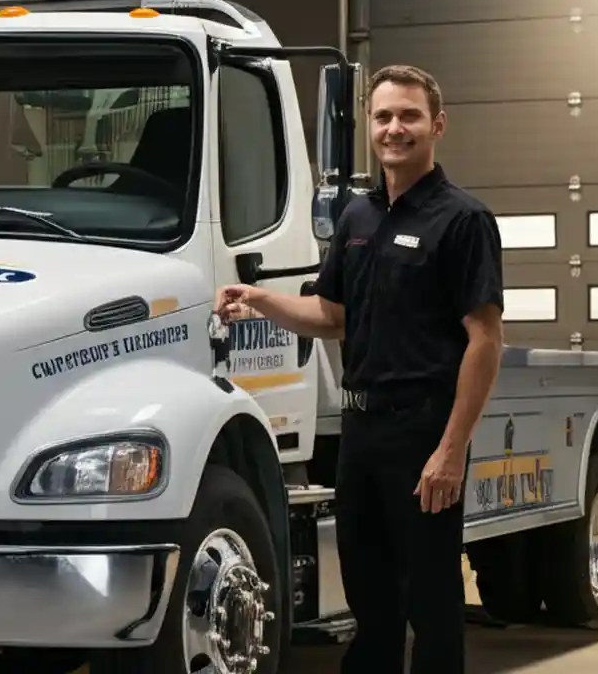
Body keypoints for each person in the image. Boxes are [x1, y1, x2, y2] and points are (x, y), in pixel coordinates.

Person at [215, 64, 504, 674]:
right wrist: (260, 300)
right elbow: (331, 314)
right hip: (362, 436)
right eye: (382, 117)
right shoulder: (359, 219)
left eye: (409, 116)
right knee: (369, 600)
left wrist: (451, 451)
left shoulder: (462, 219)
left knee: (430, 601)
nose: (394, 128)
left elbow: (484, 340)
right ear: (369, 126)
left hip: (423, 433)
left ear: (437, 125)